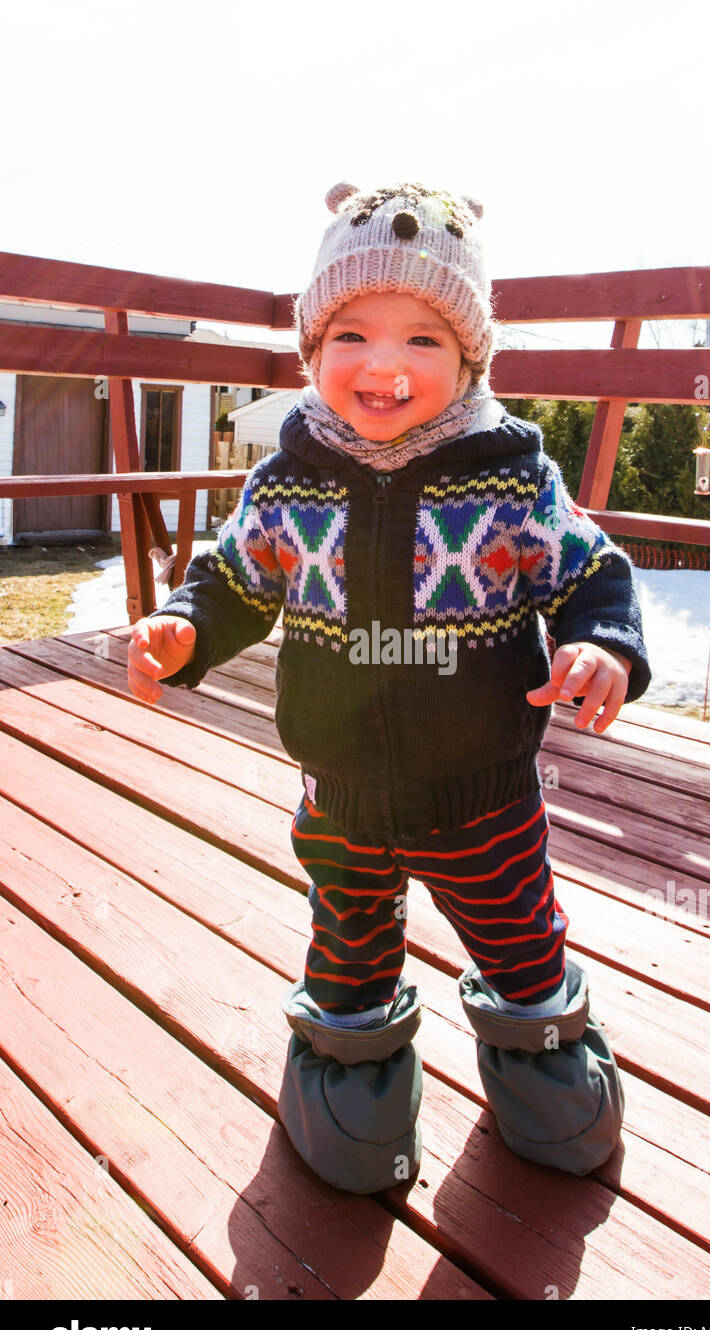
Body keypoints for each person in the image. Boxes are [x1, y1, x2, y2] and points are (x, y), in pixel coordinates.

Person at [127, 180, 651, 1195]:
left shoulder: (508, 479)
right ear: (310, 349)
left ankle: (540, 1056)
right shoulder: (287, 481)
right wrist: (184, 629)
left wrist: (602, 645)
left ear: (468, 362)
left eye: (423, 339)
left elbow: (589, 570)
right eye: (351, 331)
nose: (381, 362)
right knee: (348, 943)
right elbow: (232, 579)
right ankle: (351, 1078)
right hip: (342, 798)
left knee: (518, 936)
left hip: (483, 796)